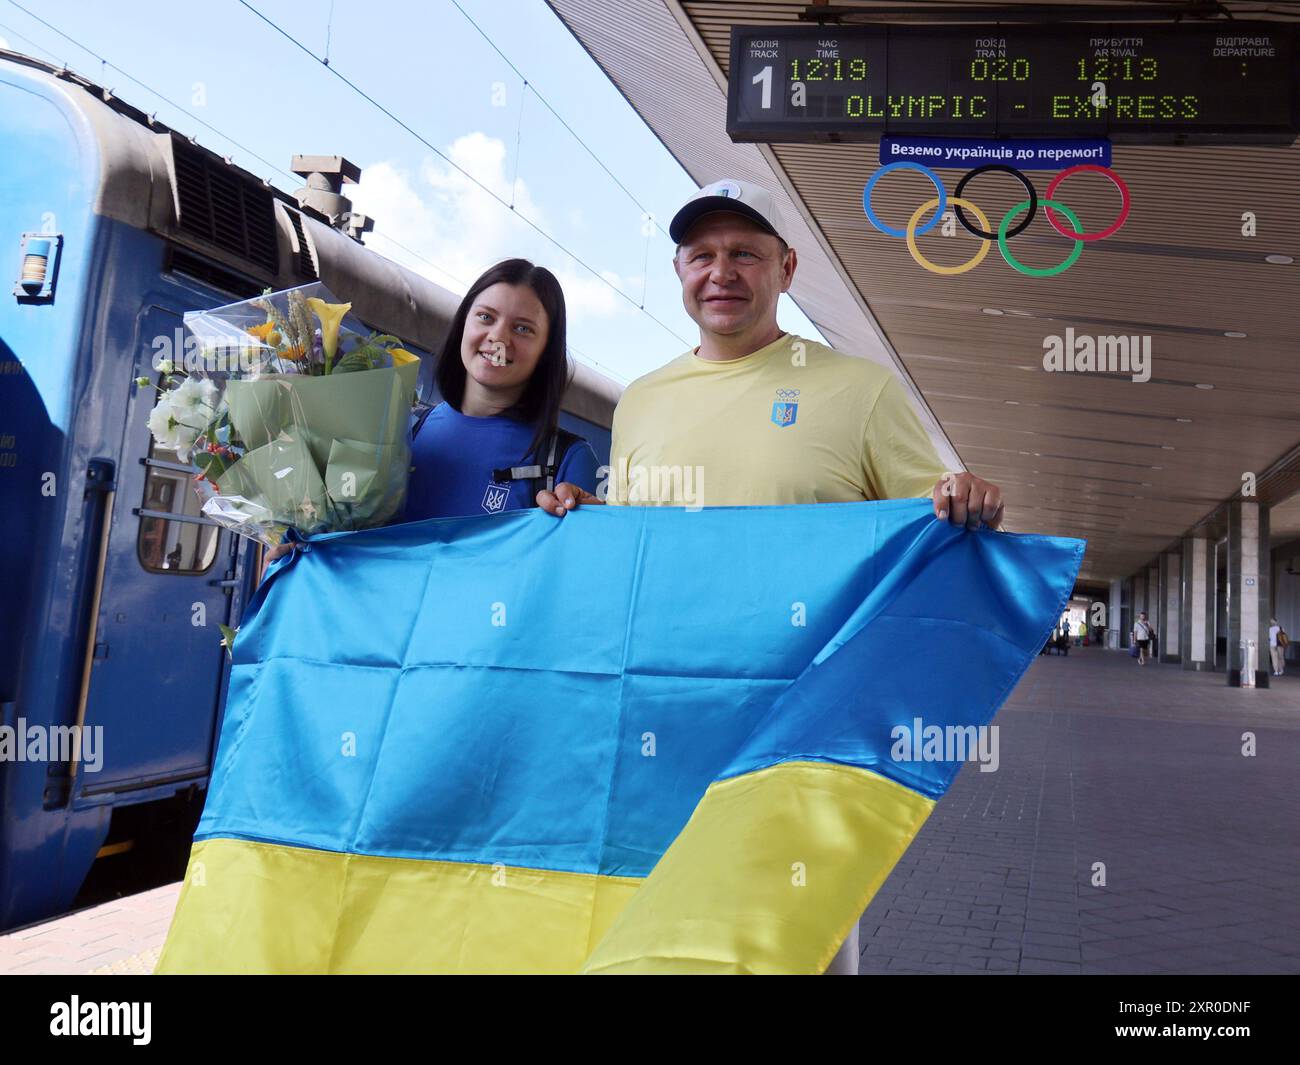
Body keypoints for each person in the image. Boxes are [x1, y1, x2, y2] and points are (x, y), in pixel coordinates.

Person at [536, 178, 1006, 974]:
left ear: (786, 268)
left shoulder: (858, 391)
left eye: (745, 254)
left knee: (796, 937)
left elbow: (930, 526)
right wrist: (588, 519)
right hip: (666, 720)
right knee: (663, 923)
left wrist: (967, 501)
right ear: (680, 272)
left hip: (802, 731)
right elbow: (647, 547)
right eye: (702, 255)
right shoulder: (643, 402)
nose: (721, 272)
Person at [263, 259, 599, 569]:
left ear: (546, 351)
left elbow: (580, 586)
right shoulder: (397, 429)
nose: (498, 337)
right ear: (463, 325)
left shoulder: (565, 461)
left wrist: (598, 536)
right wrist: (299, 553)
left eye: (523, 329)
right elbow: (346, 546)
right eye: (485, 317)